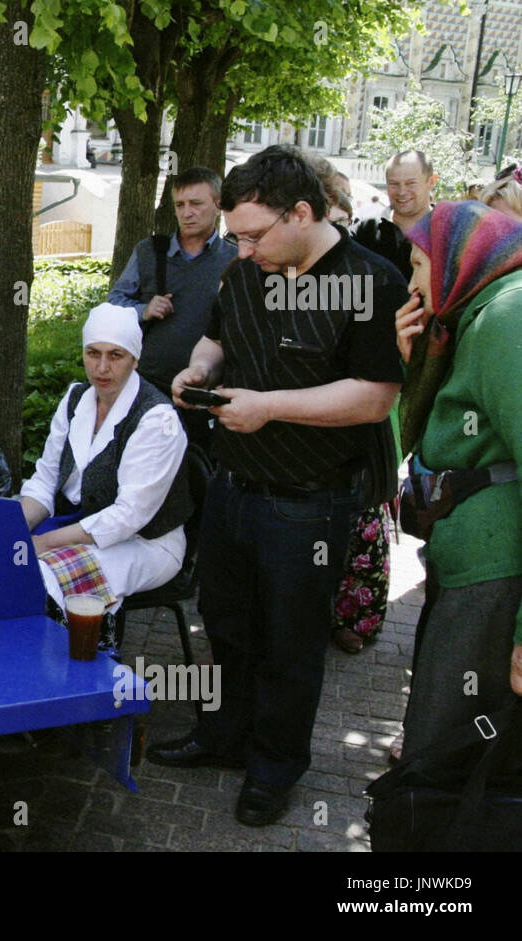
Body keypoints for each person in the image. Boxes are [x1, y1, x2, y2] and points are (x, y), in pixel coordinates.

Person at [146, 145, 407, 827]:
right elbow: (217, 339)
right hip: (234, 487)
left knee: (291, 644)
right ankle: (221, 735)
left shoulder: (371, 281)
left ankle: (274, 768)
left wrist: (270, 408)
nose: (245, 249)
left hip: (309, 502)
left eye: (257, 234)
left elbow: (374, 397)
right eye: (237, 236)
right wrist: (198, 370)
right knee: (226, 626)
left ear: (302, 212)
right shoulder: (247, 269)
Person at [394, 200, 522, 761]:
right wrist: (409, 357)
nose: (413, 282)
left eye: (420, 265)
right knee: (439, 729)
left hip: (495, 574)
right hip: (472, 561)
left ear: (458, 260)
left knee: (443, 748)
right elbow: (403, 439)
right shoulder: (476, 313)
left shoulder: (505, 318)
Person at [20, 303, 191, 644]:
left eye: (116, 355)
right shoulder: (75, 399)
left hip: (149, 544)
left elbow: (128, 516)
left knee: (40, 574)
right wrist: (14, 529)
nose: (101, 368)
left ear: (135, 359)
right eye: (93, 353)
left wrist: (41, 542)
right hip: (81, 526)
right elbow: (45, 477)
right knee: (5, 560)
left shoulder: (157, 419)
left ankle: (81, 672)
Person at [308, 155, 397, 655]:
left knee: (363, 521)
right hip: (310, 436)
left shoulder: (367, 274)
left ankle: (355, 616)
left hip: (357, 427)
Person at [107, 166, 238, 451]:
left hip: (204, 391)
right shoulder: (150, 251)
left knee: (196, 472)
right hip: (149, 385)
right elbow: (114, 304)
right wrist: (143, 309)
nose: (187, 212)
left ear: (217, 206)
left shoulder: (236, 259)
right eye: (180, 205)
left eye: (196, 203)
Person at [354, 150, 438, 281]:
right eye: (394, 184)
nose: (402, 192)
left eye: (411, 183)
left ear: (432, 181)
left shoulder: (450, 230)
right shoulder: (366, 229)